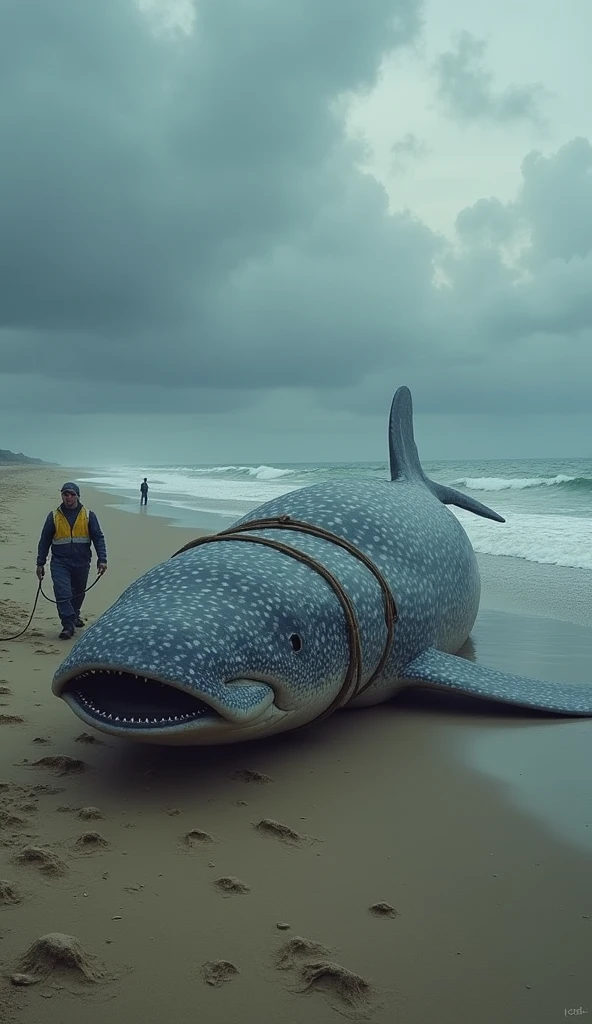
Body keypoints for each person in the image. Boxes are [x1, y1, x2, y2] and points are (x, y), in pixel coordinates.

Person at [36, 483, 107, 640]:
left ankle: (75, 615)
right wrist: (40, 563)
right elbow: (44, 541)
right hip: (60, 562)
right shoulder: (53, 516)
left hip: (82, 562)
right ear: (62, 496)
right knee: (63, 593)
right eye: (65, 494)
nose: (68, 497)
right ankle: (68, 624)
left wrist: (102, 559)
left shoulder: (88, 515)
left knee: (78, 593)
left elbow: (98, 538)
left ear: (78, 496)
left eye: (71, 494)